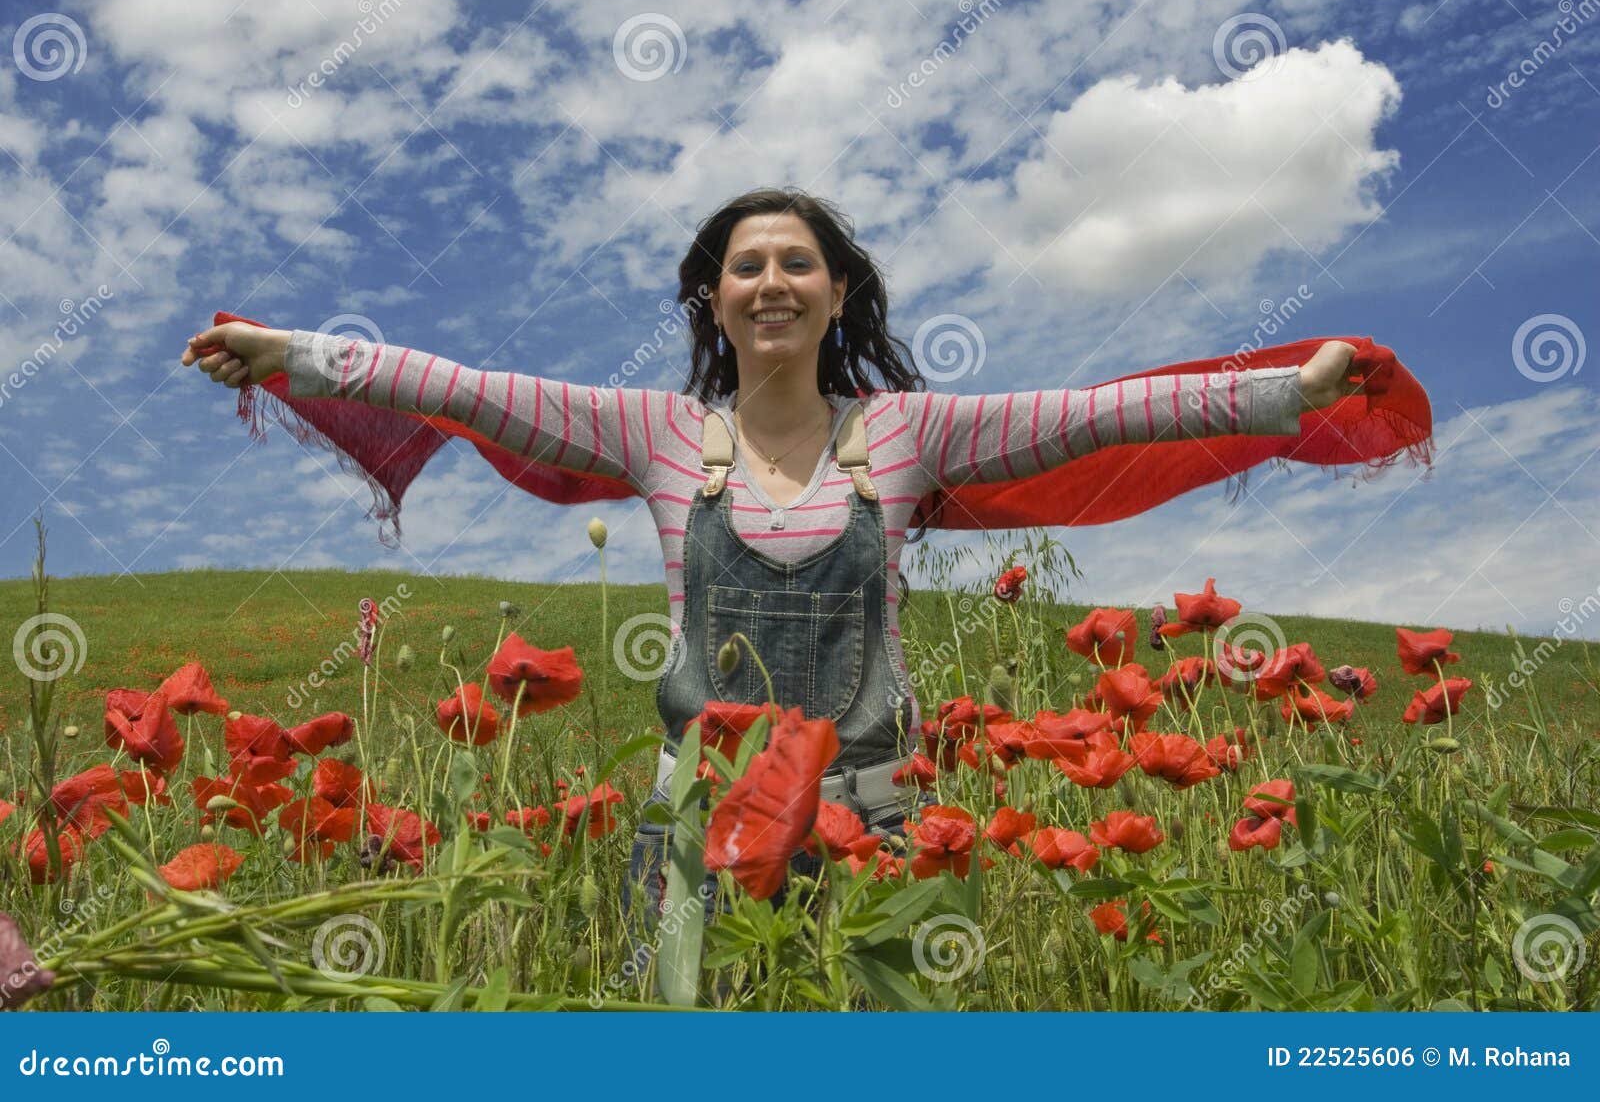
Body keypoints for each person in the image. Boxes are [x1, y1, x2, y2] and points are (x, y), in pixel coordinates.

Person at [180, 186, 1366, 938]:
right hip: (694, 822)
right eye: (746, 267)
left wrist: (1283, 391)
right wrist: (289, 351)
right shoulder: (658, 435)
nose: (771, 284)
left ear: (837, 291)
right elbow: (462, 390)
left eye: (796, 263)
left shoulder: (909, 433)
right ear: (713, 299)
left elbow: (1104, 417)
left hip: (874, 820)